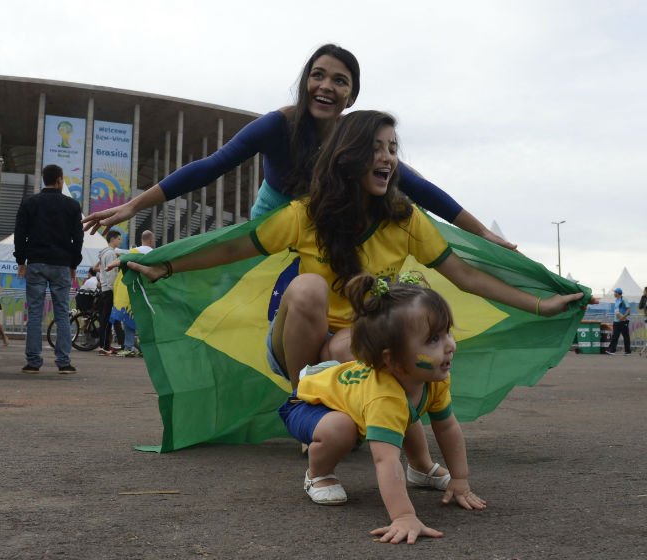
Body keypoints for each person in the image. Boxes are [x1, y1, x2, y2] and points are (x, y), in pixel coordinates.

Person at [128, 110, 587, 478]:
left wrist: (539, 304)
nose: (387, 158)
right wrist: (166, 264)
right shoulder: (305, 214)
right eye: (376, 148)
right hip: (296, 341)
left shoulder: (405, 219)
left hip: (356, 346)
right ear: (348, 156)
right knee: (306, 287)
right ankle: (306, 407)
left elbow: (466, 276)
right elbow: (233, 246)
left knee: (375, 338)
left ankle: (400, 449)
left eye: (393, 149)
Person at [83, 44, 513, 251]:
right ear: (306, 80)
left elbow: (417, 186)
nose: (326, 86)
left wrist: (482, 233)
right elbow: (211, 166)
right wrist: (133, 206)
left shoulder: (355, 139)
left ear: (351, 96)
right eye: (318, 75)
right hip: (271, 221)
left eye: (339, 81)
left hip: (325, 227)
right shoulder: (277, 125)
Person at [278, 272, 485, 544]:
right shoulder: (383, 396)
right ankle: (318, 474)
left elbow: (447, 427)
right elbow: (385, 460)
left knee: (404, 410)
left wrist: (460, 479)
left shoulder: (432, 378)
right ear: (392, 359)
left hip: (353, 400)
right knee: (342, 427)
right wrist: (403, 516)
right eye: (433, 340)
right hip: (307, 404)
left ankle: (421, 468)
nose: (449, 346)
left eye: (447, 332)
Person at [14, 164, 84, 374]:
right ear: (60, 180)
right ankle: (64, 362)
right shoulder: (72, 206)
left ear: (44, 179)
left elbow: (20, 234)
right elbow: (78, 238)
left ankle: (33, 362)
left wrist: (21, 260)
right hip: (61, 264)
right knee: (62, 313)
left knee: (35, 313)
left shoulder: (29, 203)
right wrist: (74, 263)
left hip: (36, 262)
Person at [97, 229, 122, 356]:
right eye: (118, 239)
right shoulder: (111, 254)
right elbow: (111, 273)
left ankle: (104, 345)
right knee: (107, 319)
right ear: (112, 239)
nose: (120, 241)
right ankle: (105, 346)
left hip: (105, 288)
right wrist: (114, 289)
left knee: (105, 318)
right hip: (110, 289)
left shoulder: (104, 253)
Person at [605, 287, 631, 355]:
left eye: (615, 292)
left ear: (618, 293)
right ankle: (611, 350)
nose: (614, 293)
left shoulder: (624, 299)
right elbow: (617, 311)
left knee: (626, 336)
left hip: (623, 321)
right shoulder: (616, 300)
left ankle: (628, 351)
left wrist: (623, 317)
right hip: (616, 321)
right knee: (615, 336)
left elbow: (628, 310)